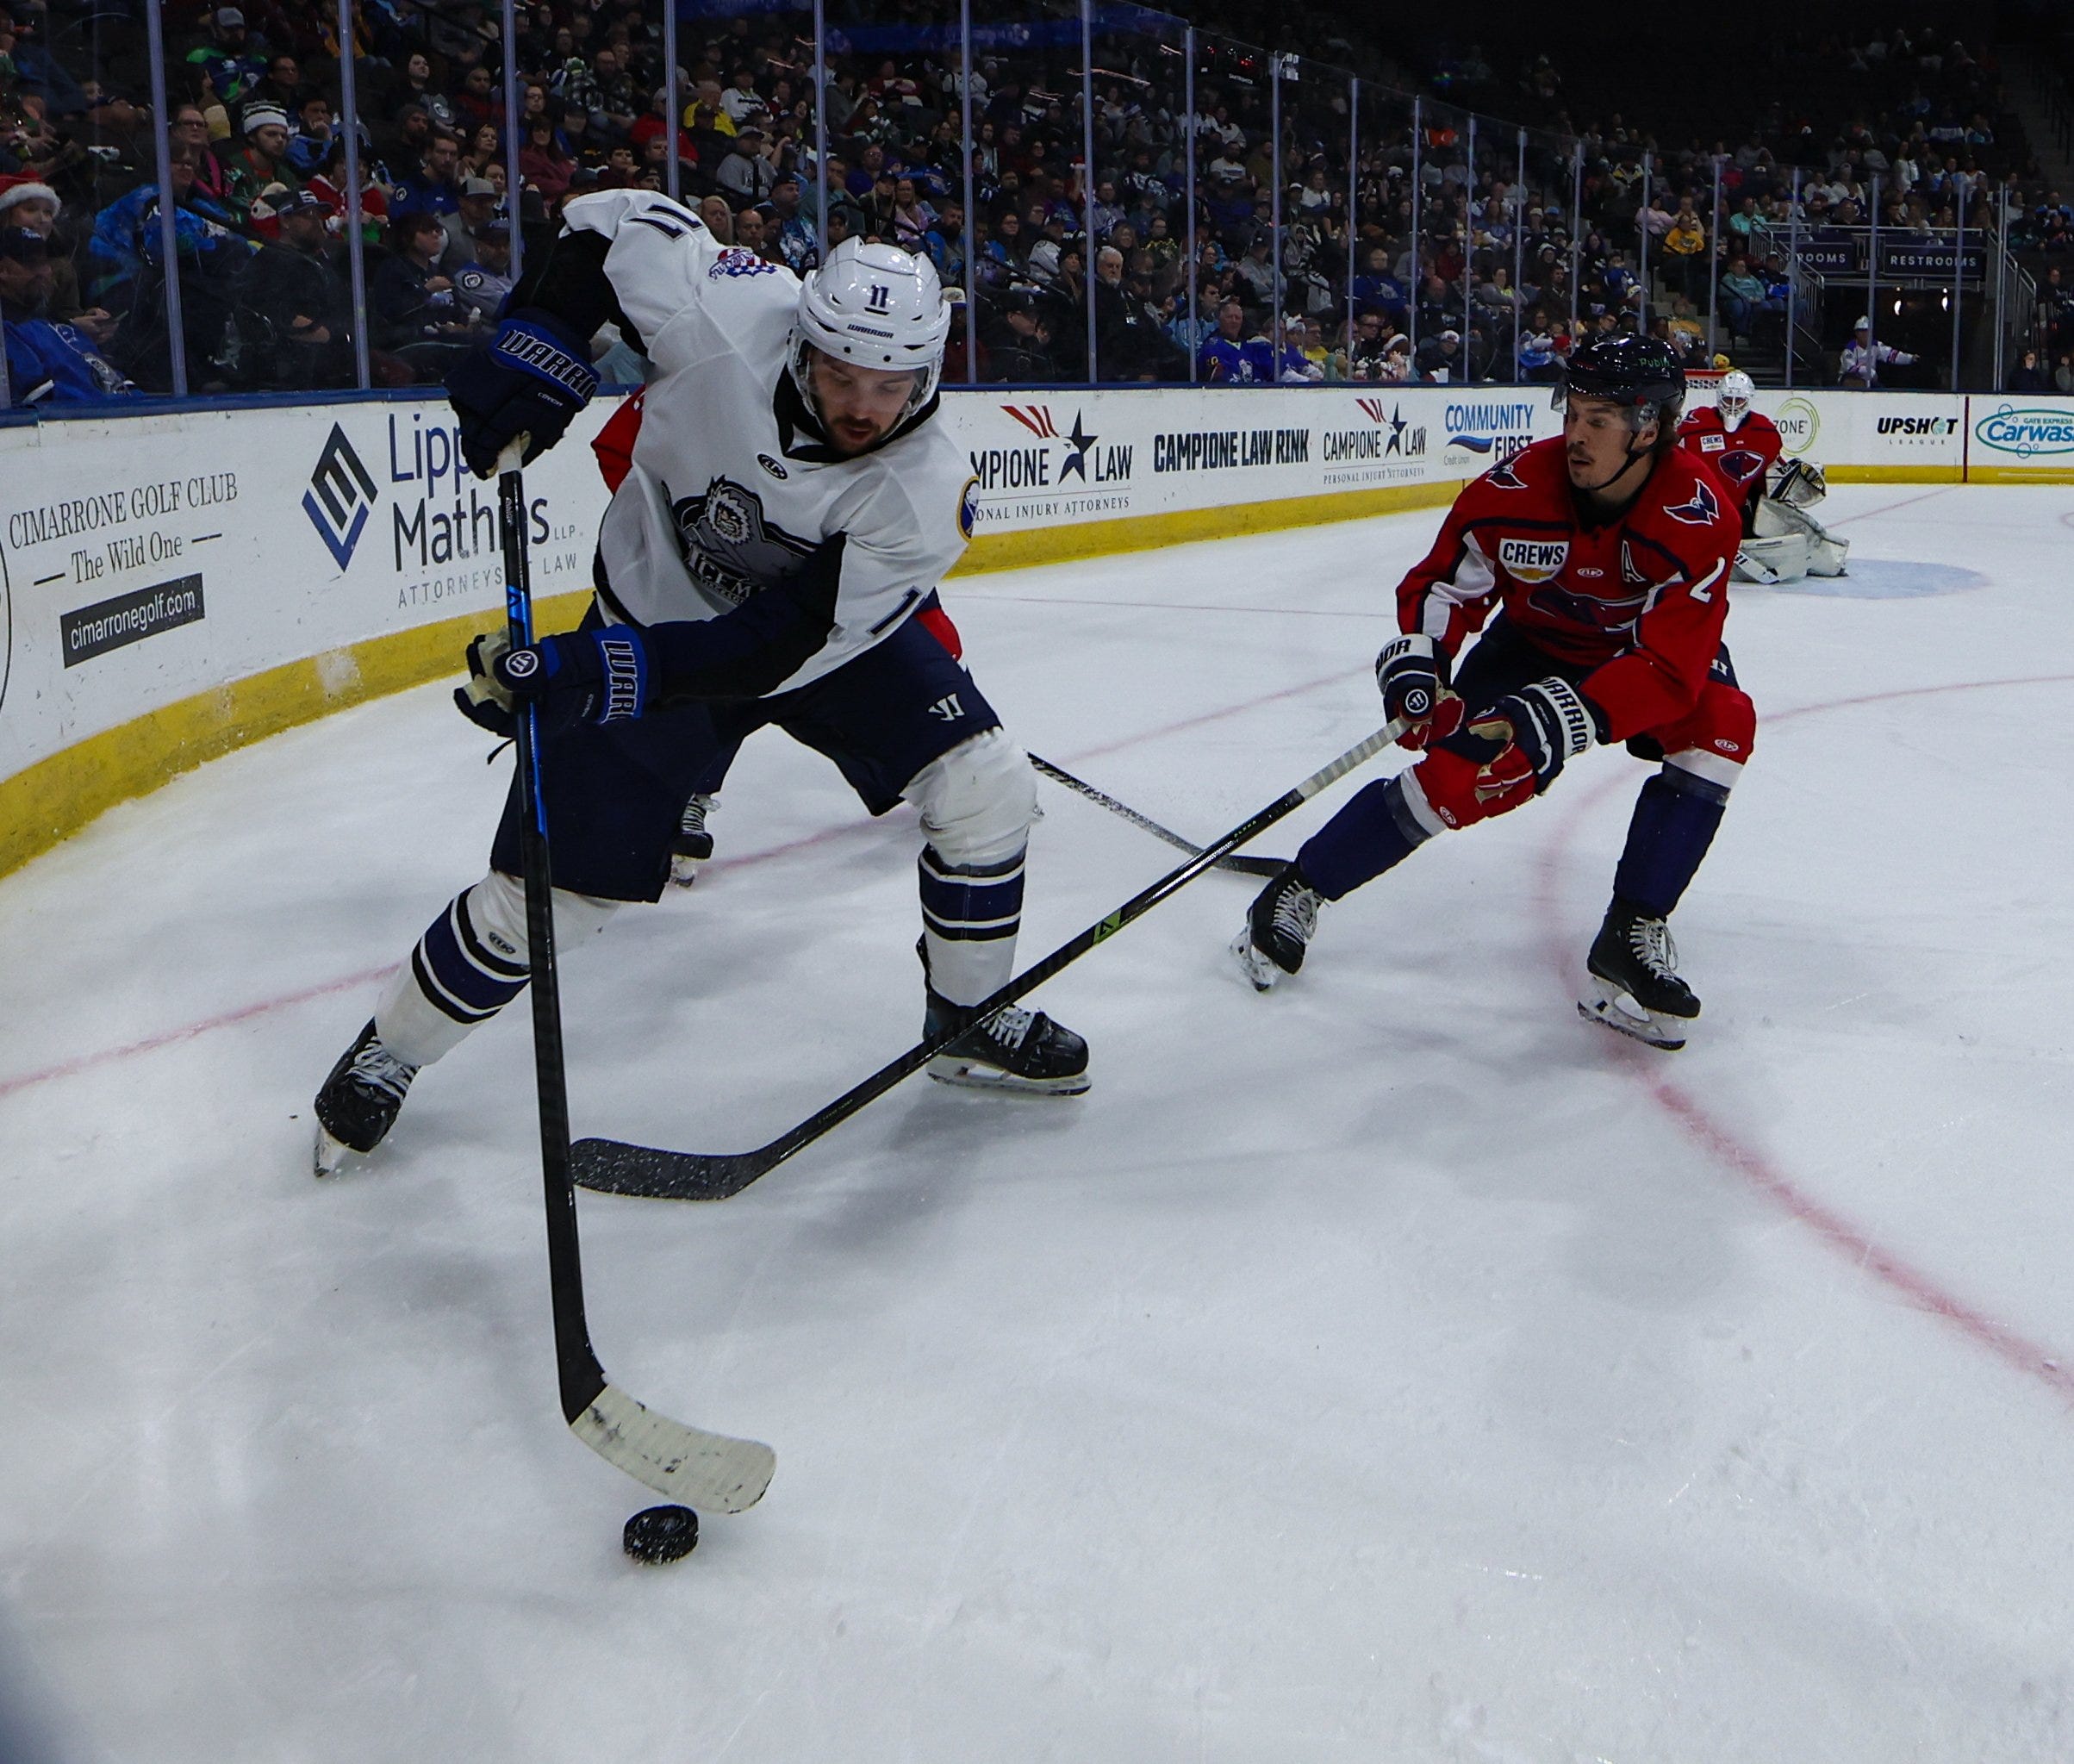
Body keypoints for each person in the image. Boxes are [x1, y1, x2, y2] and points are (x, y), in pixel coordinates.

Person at [310, 192, 1090, 1171]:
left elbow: (773, 646)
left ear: (926, 374)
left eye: (889, 386)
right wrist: (545, 330)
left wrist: (593, 672)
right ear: (802, 343)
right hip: (652, 605)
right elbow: (604, 225)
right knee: (551, 896)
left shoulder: (925, 488)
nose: (861, 407)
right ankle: (389, 1049)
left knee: (985, 785)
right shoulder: (728, 309)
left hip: (820, 648)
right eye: (840, 374)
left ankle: (967, 1017)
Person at [1230, 334, 1753, 1051]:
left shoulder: (1700, 513)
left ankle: (1632, 927)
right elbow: (1442, 587)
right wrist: (1422, 662)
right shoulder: (1514, 489)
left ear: (1648, 429)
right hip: (1530, 649)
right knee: (1459, 779)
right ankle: (1303, 884)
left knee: (1722, 723)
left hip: (1641, 661)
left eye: (1598, 420)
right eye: (1572, 413)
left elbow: (1669, 665)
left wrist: (1566, 715)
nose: (1575, 435)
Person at [1, 225, 134, 402]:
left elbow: (114, 382)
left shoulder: (54, 323)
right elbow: (43, 403)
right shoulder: (7, 332)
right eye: (32, 264)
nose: (44, 272)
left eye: (45, 262)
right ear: (3, 270)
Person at [1673, 368, 1780, 533]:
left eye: (1739, 401)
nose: (1732, 406)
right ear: (1719, 397)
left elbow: (1771, 474)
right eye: (1728, 399)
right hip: (1700, 511)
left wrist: (1790, 479)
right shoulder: (1696, 424)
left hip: (1738, 513)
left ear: (1749, 400)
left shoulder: (1765, 432)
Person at [1838, 315, 1916, 388]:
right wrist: (1870, 372)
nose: (1864, 334)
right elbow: (1851, 369)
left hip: (1870, 381)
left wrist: (1911, 358)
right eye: (1861, 331)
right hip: (1850, 380)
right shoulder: (1849, 349)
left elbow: (1891, 355)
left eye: (1867, 331)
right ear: (1856, 333)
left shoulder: (1876, 345)